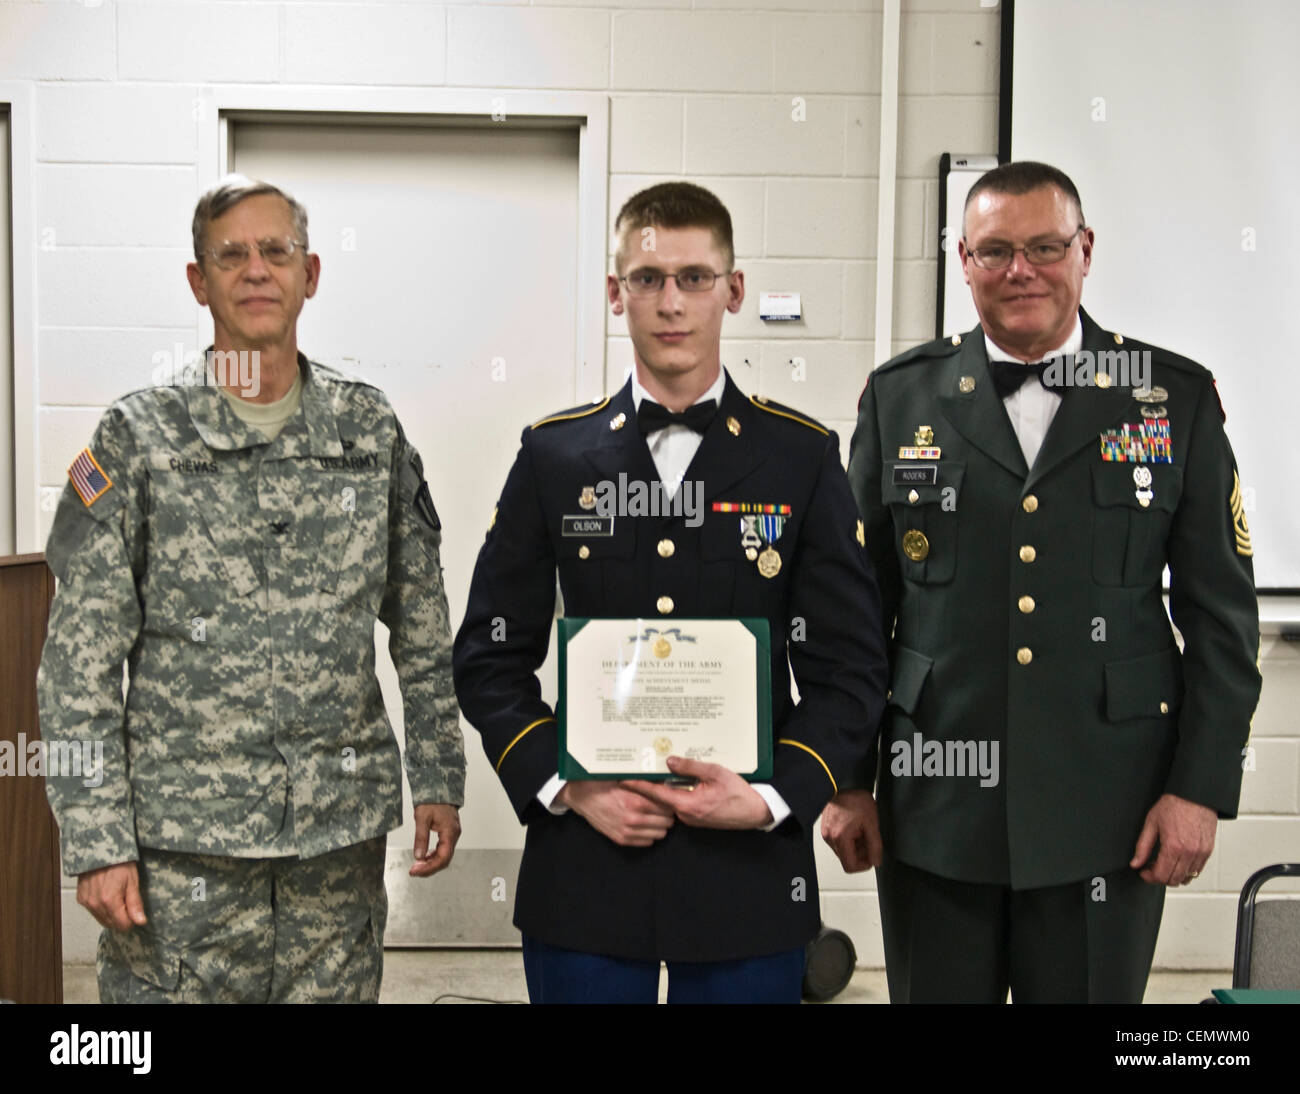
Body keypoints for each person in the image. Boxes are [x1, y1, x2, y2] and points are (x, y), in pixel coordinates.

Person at [824, 161, 1262, 1003]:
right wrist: (846, 777)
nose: (1020, 269)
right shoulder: (899, 398)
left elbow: (1221, 621)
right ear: (963, 260)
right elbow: (854, 614)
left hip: (1111, 810)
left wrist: (1198, 788)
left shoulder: (1171, 399)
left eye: (1044, 247)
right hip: (937, 807)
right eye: (994, 252)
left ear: (1084, 250)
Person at [453, 181, 887, 1004]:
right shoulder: (555, 456)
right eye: (647, 278)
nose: (671, 302)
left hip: (749, 880)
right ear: (616, 293)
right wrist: (567, 787)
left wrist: (768, 800)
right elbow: (488, 657)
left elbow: (851, 669)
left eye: (694, 277)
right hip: (585, 866)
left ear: (734, 290)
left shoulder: (801, 458)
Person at [37, 174, 466, 1003]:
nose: (257, 270)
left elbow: (420, 624)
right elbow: (77, 665)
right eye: (231, 255)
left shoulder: (367, 431)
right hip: (181, 863)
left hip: (333, 856)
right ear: (199, 283)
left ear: (311, 273)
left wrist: (439, 774)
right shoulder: (138, 439)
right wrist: (94, 839)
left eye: (277, 251)